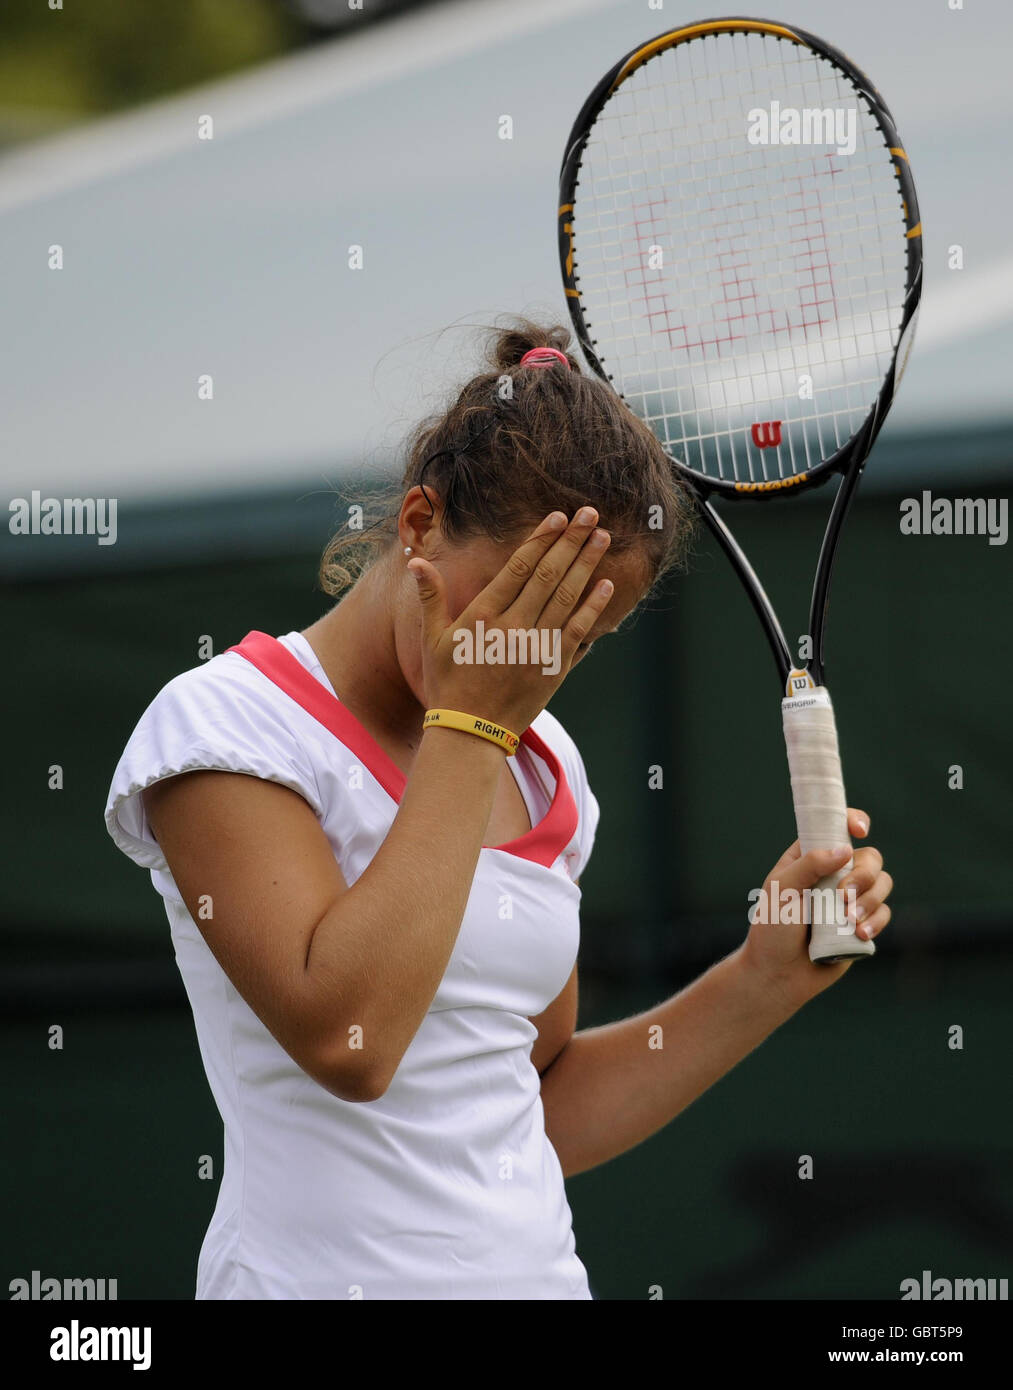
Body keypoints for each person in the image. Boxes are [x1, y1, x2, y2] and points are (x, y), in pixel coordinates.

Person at [104, 320, 892, 1300]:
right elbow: (350, 1043)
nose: (533, 658)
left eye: (578, 636)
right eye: (516, 604)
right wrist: (468, 731)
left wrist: (755, 980)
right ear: (419, 520)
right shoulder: (226, 724)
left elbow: (533, 1108)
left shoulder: (544, 764)